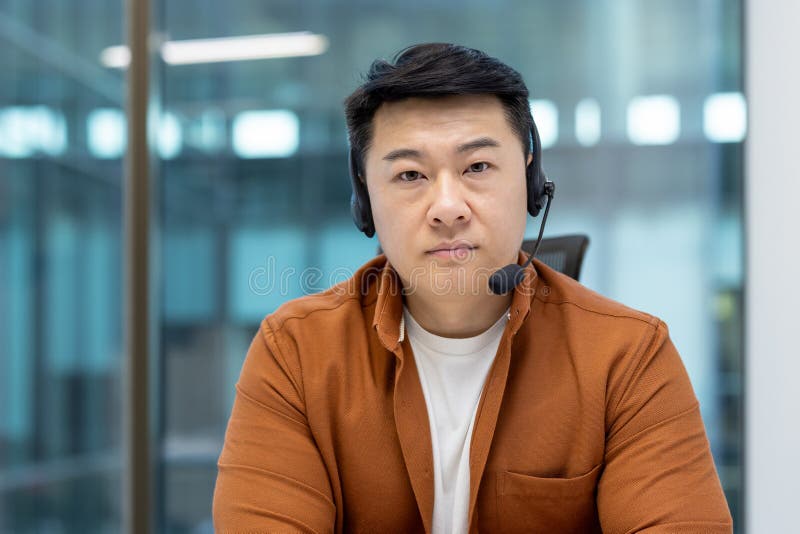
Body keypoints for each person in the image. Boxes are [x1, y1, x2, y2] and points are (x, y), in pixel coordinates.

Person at [212, 43, 733, 533]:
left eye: (478, 167)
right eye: (410, 175)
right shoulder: (296, 354)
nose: (447, 208)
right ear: (365, 196)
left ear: (531, 181)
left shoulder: (628, 357)